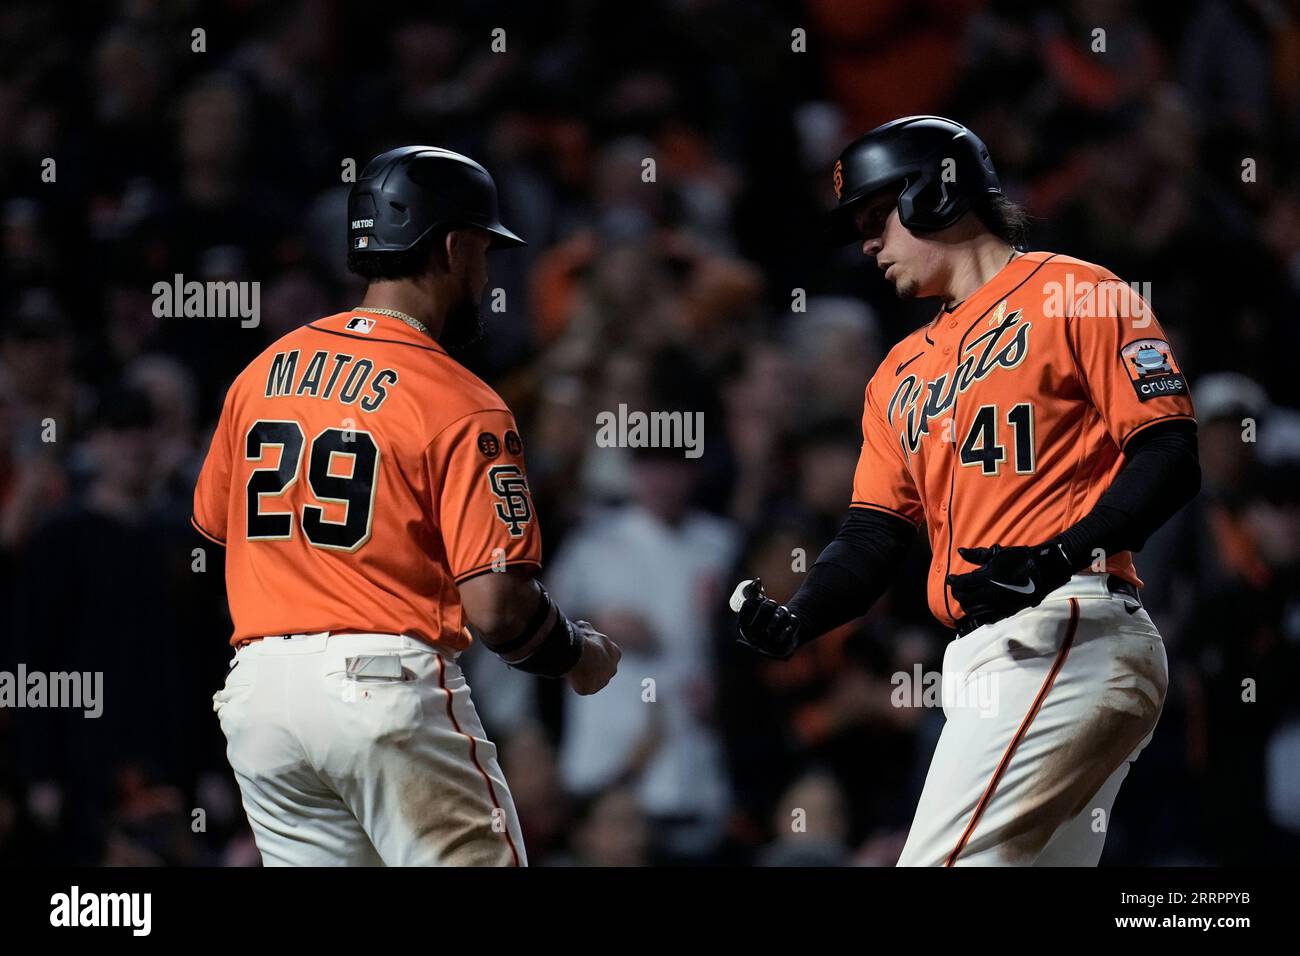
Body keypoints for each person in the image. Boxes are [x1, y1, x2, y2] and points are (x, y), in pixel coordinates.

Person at [733, 116, 1200, 866]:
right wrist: (802, 615)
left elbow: (1171, 452)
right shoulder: (897, 372)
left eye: (875, 217)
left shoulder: (1077, 292)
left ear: (934, 195)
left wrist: (1060, 553)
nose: (867, 243)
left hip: (1064, 629)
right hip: (991, 663)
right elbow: (872, 535)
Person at [193, 146, 620, 866]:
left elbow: (215, 530)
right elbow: (498, 610)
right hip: (382, 688)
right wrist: (576, 654)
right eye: (482, 252)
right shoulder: (459, 398)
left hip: (260, 697)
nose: (486, 275)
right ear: (452, 248)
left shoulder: (262, 371)